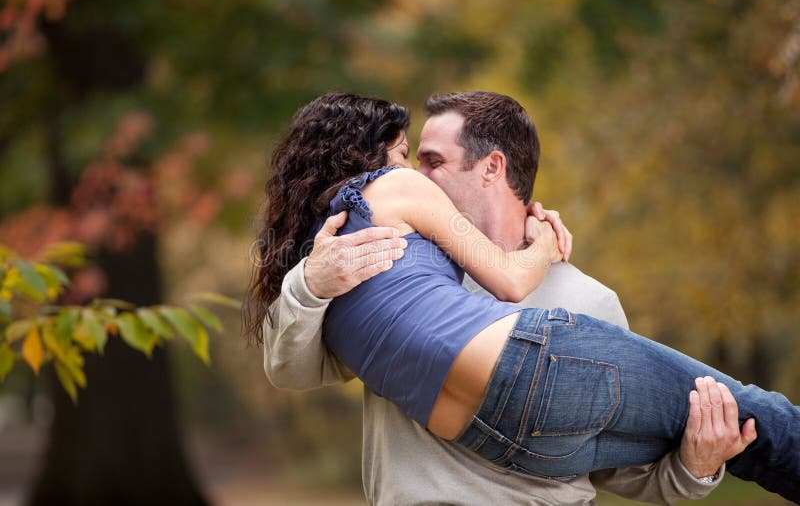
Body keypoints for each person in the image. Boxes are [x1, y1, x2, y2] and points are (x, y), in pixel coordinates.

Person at [246, 92, 797, 503]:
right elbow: (289, 371)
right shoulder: (382, 262)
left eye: (432, 160)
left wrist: (696, 469)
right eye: (412, 158)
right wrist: (311, 283)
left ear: (492, 169)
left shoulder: (589, 297)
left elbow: (619, 471)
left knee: (741, 415)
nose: (413, 173)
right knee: (761, 416)